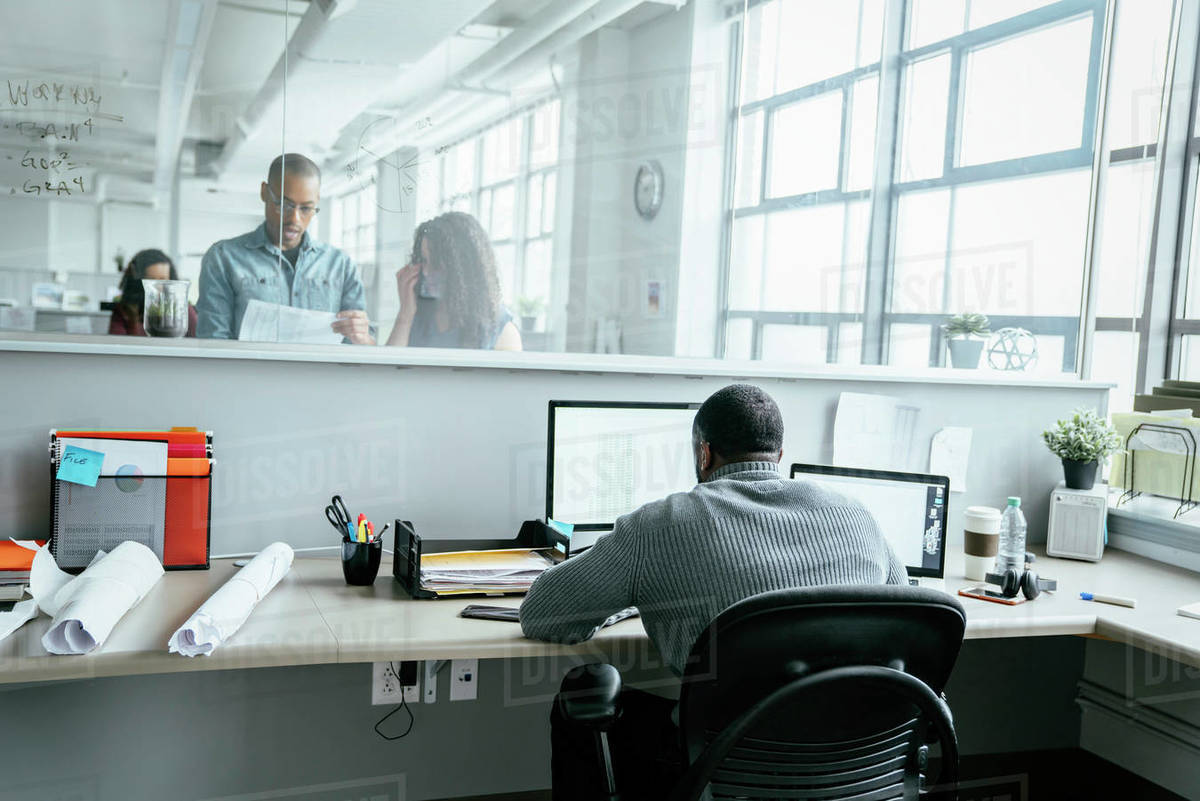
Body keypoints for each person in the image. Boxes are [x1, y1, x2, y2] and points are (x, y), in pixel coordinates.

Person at [519, 383, 907, 800]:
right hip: (855, 760)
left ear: (704, 454)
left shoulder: (657, 525)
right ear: (779, 455)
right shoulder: (857, 514)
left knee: (577, 698)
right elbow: (903, 606)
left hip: (723, 766)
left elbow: (542, 612)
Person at [196, 153, 373, 343]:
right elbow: (213, 344)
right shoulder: (224, 258)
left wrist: (363, 339)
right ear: (264, 192)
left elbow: (361, 351)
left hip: (321, 373)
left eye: (306, 208)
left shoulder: (340, 265)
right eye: (284, 205)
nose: (294, 219)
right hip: (250, 373)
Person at [386, 211, 521, 350]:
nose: (426, 272)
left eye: (437, 264)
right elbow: (388, 370)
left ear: (463, 268)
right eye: (425, 261)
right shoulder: (418, 318)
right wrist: (404, 316)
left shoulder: (500, 330)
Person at [108, 249, 197, 337]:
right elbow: (116, 344)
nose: (157, 286)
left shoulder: (182, 310)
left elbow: (198, 341)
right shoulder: (124, 312)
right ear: (137, 282)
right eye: (151, 280)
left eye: (163, 279)